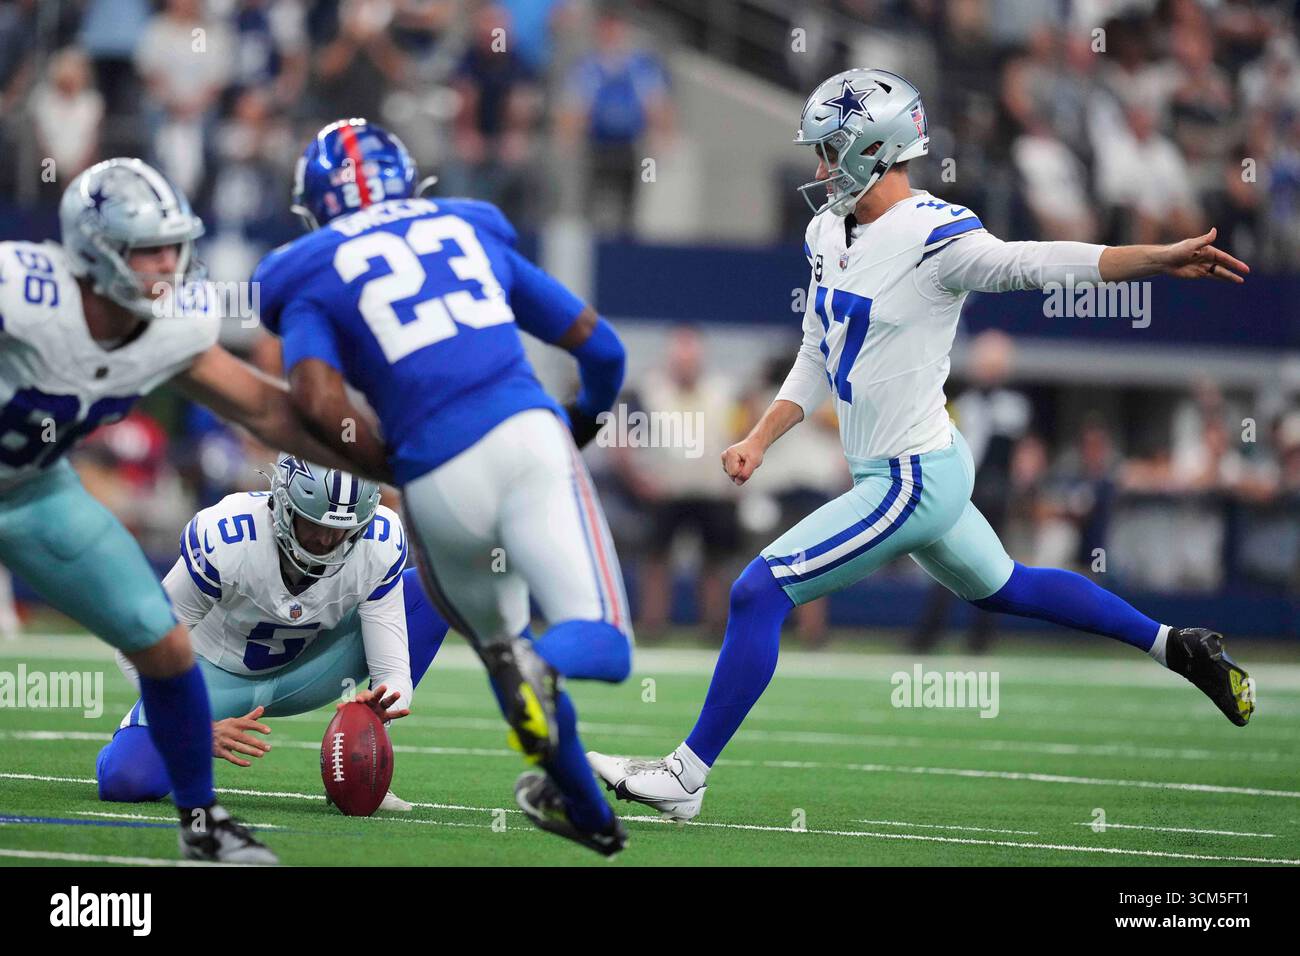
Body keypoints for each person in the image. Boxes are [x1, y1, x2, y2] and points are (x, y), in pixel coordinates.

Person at [589, 68, 1256, 822]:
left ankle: (686, 776)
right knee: (1009, 587)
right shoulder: (824, 231)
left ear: (874, 148)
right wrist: (759, 437)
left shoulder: (936, 234)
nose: (817, 169)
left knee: (757, 591)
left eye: (829, 151)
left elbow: (1035, 262)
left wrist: (1154, 259)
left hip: (910, 478)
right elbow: (817, 352)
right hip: (913, 466)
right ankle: (1178, 645)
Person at [251, 119, 633, 856]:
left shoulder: (306, 267)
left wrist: (387, 459)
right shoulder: (467, 223)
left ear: (315, 207)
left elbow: (315, 397)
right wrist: (580, 422)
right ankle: (547, 670)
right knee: (602, 643)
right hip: (524, 435)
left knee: (501, 648)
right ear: (409, 181)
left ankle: (587, 811)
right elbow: (603, 348)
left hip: (433, 484)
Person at [0, 158, 363, 861]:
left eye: (173, 245)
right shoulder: (24, 286)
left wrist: (390, 461)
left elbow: (263, 408)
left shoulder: (168, 325)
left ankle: (203, 823)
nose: (167, 264)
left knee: (164, 643)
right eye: (147, 249)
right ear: (93, 250)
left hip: (33, 489)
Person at [95, 457, 448, 809]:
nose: (325, 539)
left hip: (310, 671)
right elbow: (136, 647)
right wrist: (190, 725)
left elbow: (392, 671)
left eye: (341, 529)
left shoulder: (379, 539)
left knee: (434, 591)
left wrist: (380, 709)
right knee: (127, 781)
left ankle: (356, 772)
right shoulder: (227, 536)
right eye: (312, 522)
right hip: (209, 680)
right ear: (281, 501)